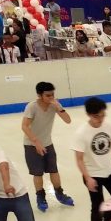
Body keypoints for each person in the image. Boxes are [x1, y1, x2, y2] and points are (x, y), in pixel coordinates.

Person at [72, 97, 111, 221]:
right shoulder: (81, 133)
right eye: (96, 116)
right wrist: (87, 178)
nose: (100, 119)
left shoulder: (108, 126)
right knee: (97, 205)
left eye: (102, 115)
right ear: (88, 115)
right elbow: (79, 159)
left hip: (110, 171)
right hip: (93, 174)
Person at [22, 81, 74, 211]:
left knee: (54, 170)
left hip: (48, 143)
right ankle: (40, 197)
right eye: (48, 96)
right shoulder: (32, 107)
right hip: (31, 145)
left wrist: (59, 108)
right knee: (38, 173)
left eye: (52, 95)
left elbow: (68, 121)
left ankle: (60, 193)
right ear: (40, 95)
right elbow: (24, 126)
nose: (51, 98)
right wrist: (36, 142)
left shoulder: (54, 105)